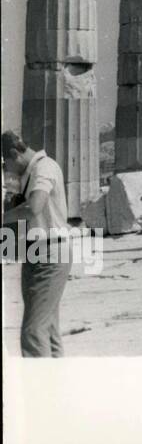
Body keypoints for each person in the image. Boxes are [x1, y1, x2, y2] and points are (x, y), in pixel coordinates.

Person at [2, 130, 72, 358]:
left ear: (14, 153)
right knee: (47, 329)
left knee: (33, 332)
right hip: (36, 252)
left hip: (50, 253)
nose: (7, 170)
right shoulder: (28, 173)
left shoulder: (45, 167)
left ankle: (38, 389)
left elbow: (34, 206)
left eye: (6, 164)